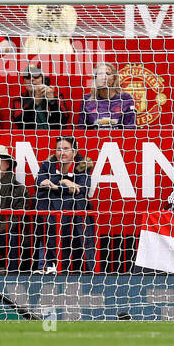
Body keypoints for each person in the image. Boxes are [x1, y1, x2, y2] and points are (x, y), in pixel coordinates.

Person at [34, 136, 94, 273]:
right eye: (59, 149)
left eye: (66, 149)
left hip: (74, 214)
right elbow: (39, 182)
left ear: (75, 150)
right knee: (41, 199)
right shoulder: (49, 162)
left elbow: (82, 188)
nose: (62, 153)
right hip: (52, 212)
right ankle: (48, 265)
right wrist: (66, 183)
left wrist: (56, 185)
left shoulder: (84, 162)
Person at [80, 62, 135, 128]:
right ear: (95, 78)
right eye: (100, 74)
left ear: (114, 78)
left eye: (108, 74)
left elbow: (130, 128)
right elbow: (82, 129)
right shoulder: (87, 100)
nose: (104, 77)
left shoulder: (125, 98)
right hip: (94, 138)